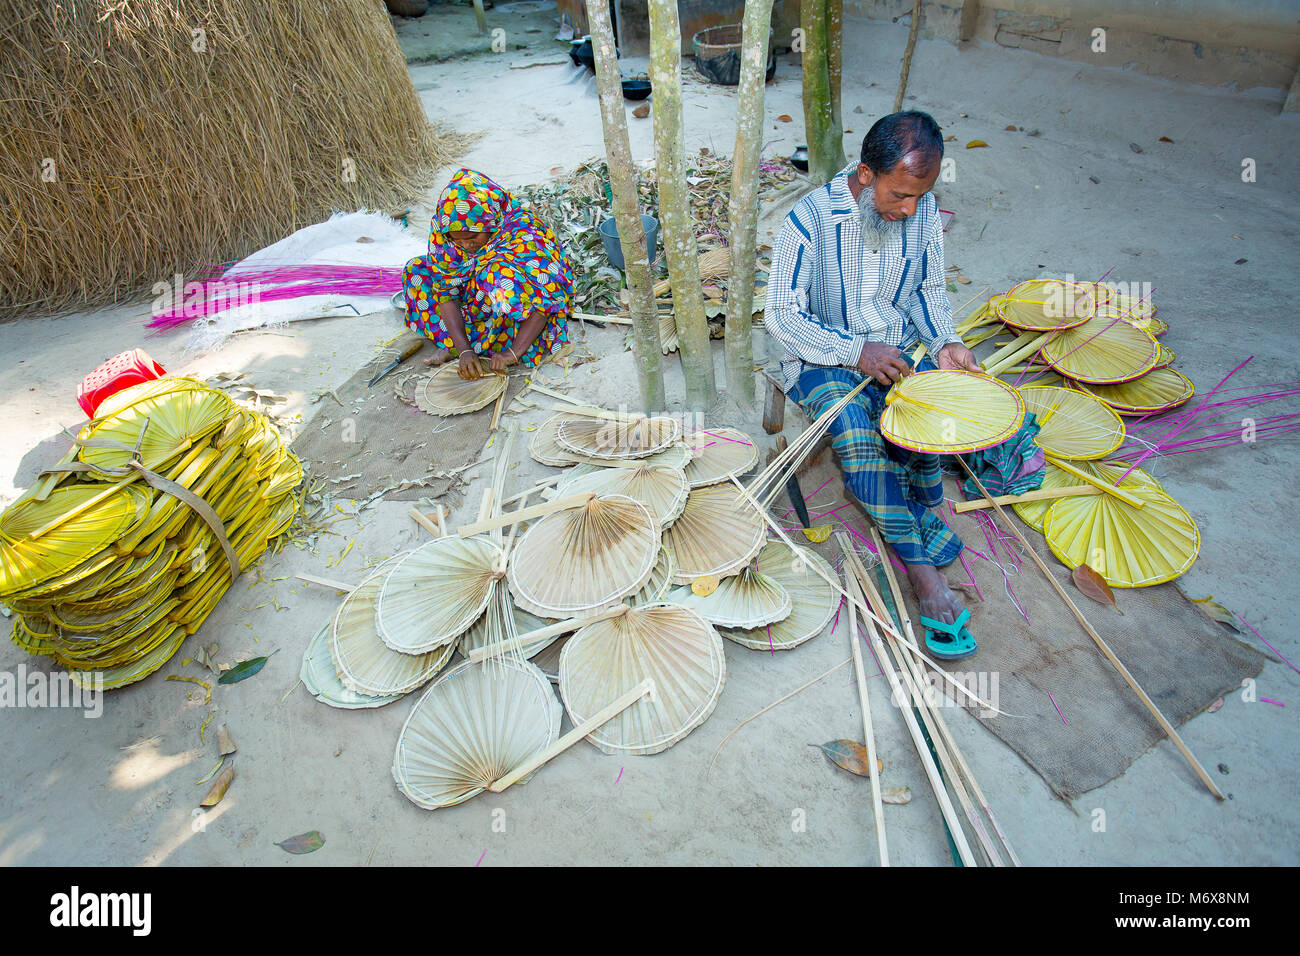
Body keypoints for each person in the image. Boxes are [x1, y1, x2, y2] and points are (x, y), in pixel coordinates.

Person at [765, 111, 980, 631]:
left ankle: (912, 507)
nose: (910, 209)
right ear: (866, 175)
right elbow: (781, 317)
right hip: (823, 354)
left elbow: (929, 291)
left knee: (930, 418)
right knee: (859, 437)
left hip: (900, 345)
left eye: (920, 195)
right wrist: (855, 350)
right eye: (898, 196)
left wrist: (946, 341)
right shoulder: (809, 221)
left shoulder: (924, 211)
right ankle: (921, 569)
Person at [403, 168, 574, 380]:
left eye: (473, 236)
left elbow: (547, 297)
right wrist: (464, 350)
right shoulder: (443, 234)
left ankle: (507, 346)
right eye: (457, 239)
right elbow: (445, 291)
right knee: (416, 270)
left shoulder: (521, 231)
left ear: (490, 223)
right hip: (472, 303)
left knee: (495, 274)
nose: (466, 244)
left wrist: (513, 352)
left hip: (505, 315)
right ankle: (460, 345)